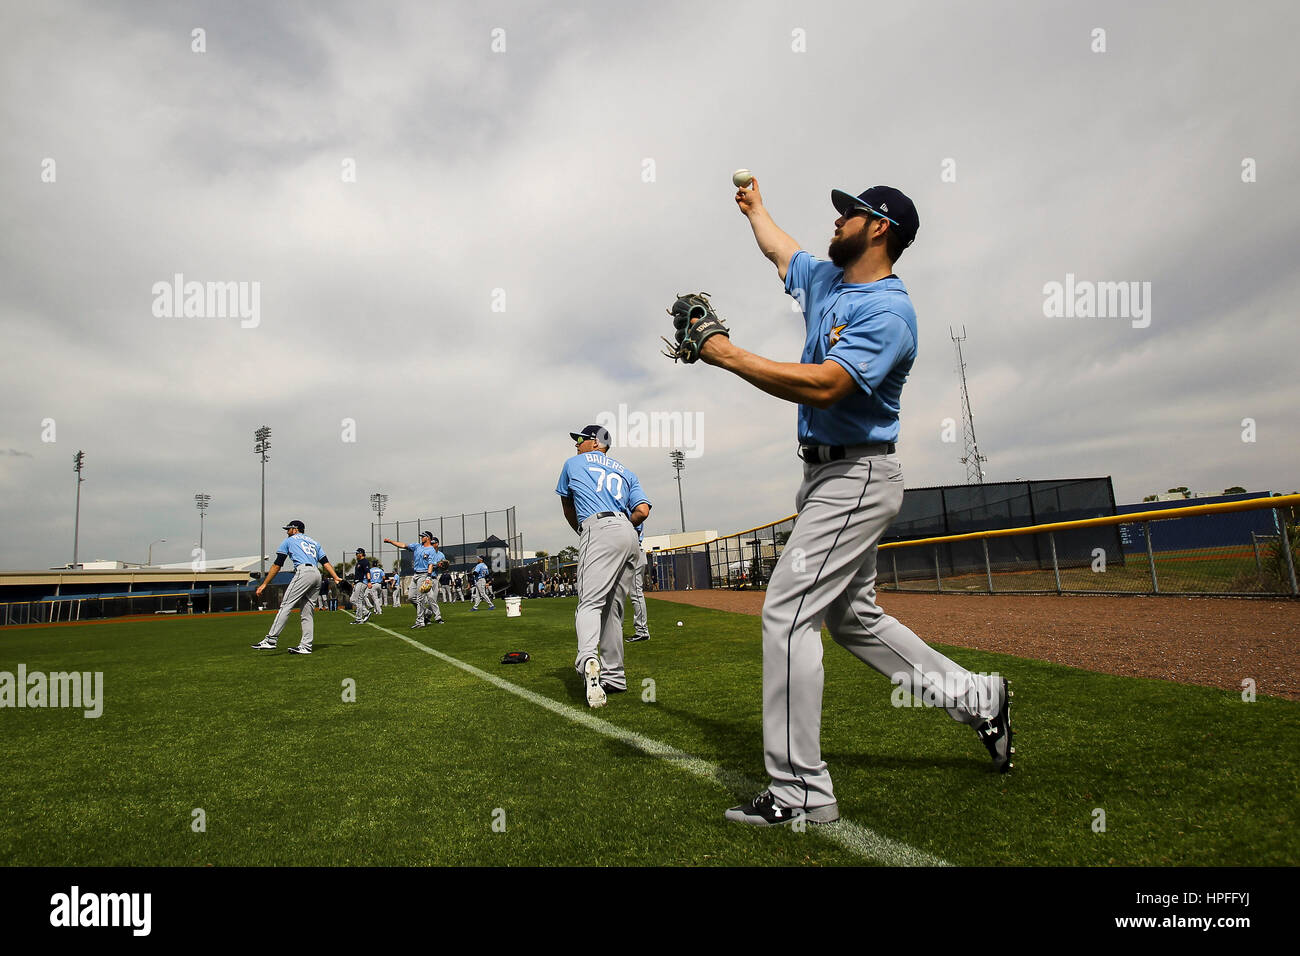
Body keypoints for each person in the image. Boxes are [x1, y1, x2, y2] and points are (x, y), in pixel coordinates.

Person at [687, 178, 1012, 826]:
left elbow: (829, 386)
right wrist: (756, 210)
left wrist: (723, 353)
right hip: (827, 480)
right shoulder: (828, 281)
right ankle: (980, 699)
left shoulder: (888, 312)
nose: (836, 222)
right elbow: (783, 251)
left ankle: (802, 792)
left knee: (785, 611)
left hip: (858, 477)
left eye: (849, 214)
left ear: (880, 229)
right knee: (852, 620)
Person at [556, 424, 651, 708]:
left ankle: (588, 659)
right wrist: (623, 526)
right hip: (628, 532)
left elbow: (567, 505)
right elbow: (643, 510)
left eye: (582, 439)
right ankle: (614, 676)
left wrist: (586, 531)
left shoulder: (573, 463)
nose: (577, 444)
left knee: (589, 603)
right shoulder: (626, 470)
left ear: (597, 442)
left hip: (598, 527)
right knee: (614, 609)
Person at [252, 520, 344, 655]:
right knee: (307, 613)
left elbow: (277, 564)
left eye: (288, 529)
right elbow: (325, 562)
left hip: (304, 572)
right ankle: (306, 646)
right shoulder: (314, 542)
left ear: (295, 529)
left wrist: (264, 583)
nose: (287, 531)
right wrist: (336, 577)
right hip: (317, 574)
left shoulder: (289, 541)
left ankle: (271, 640)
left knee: (286, 605)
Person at [384, 531, 446, 627]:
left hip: (424, 575)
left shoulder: (431, 550)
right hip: (416, 575)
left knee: (421, 598)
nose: (421, 537)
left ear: (428, 538)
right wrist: (391, 542)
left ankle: (420, 622)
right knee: (411, 597)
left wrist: (428, 577)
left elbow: (430, 565)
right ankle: (427, 612)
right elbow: (403, 545)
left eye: (423, 536)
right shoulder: (417, 546)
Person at [626, 520, 651, 642]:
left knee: (636, 593)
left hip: (635, 554)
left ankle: (642, 631)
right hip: (629, 554)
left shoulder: (633, 513)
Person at [349, 548, 372, 624]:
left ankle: (358, 619)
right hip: (357, 582)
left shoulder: (364, 562)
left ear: (361, 553)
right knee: (352, 600)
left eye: (357, 553)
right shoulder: (359, 562)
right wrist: (354, 582)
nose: (356, 555)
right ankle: (366, 612)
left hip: (362, 582)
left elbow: (367, 572)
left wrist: (369, 581)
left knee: (358, 600)